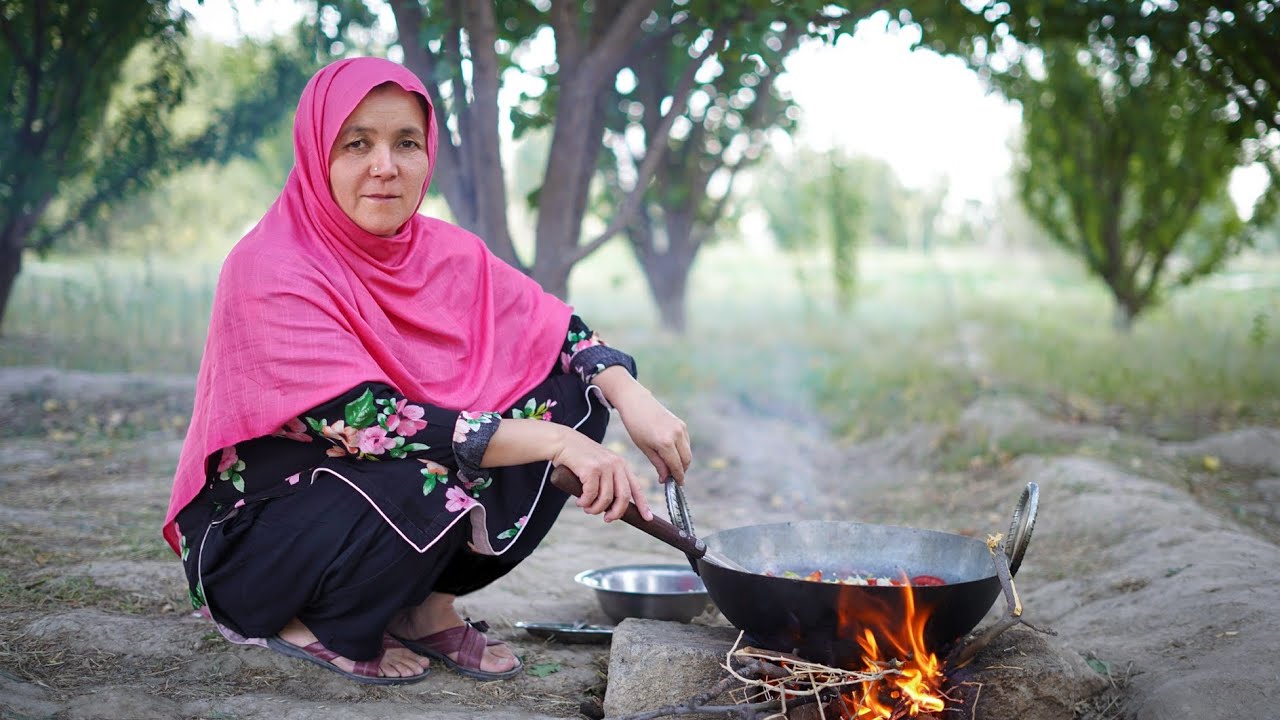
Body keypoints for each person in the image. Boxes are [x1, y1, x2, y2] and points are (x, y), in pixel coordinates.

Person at [162, 56, 692, 685]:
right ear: (316, 154)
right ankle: (315, 622)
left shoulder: (448, 252)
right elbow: (371, 425)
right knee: (431, 465)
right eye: (357, 143)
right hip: (264, 546)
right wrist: (557, 443)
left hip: (387, 495)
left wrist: (635, 397)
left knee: (573, 397)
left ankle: (422, 607)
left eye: (405, 143)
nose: (385, 166)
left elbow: (560, 332)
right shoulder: (272, 267)